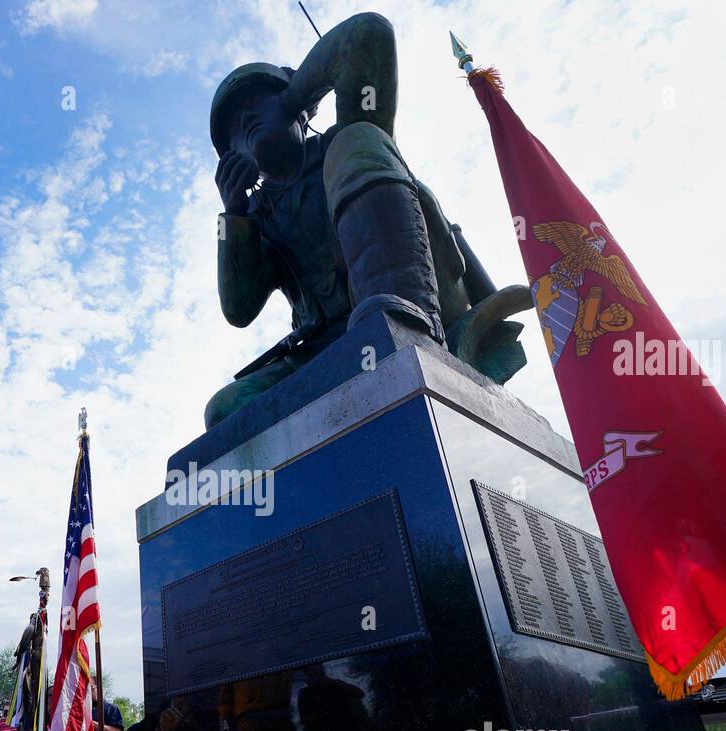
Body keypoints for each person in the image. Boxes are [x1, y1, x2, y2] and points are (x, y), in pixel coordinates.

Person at [205, 12, 505, 428]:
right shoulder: (255, 216)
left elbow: (368, 34)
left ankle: (404, 327)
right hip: (330, 345)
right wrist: (233, 216)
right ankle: (349, 381)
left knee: (359, 138)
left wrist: (295, 98)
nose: (246, 121)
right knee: (224, 411)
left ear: (296, 103)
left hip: (415, 306)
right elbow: (238, 310)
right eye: (234, 129)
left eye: (256, 103)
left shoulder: (345, 139)